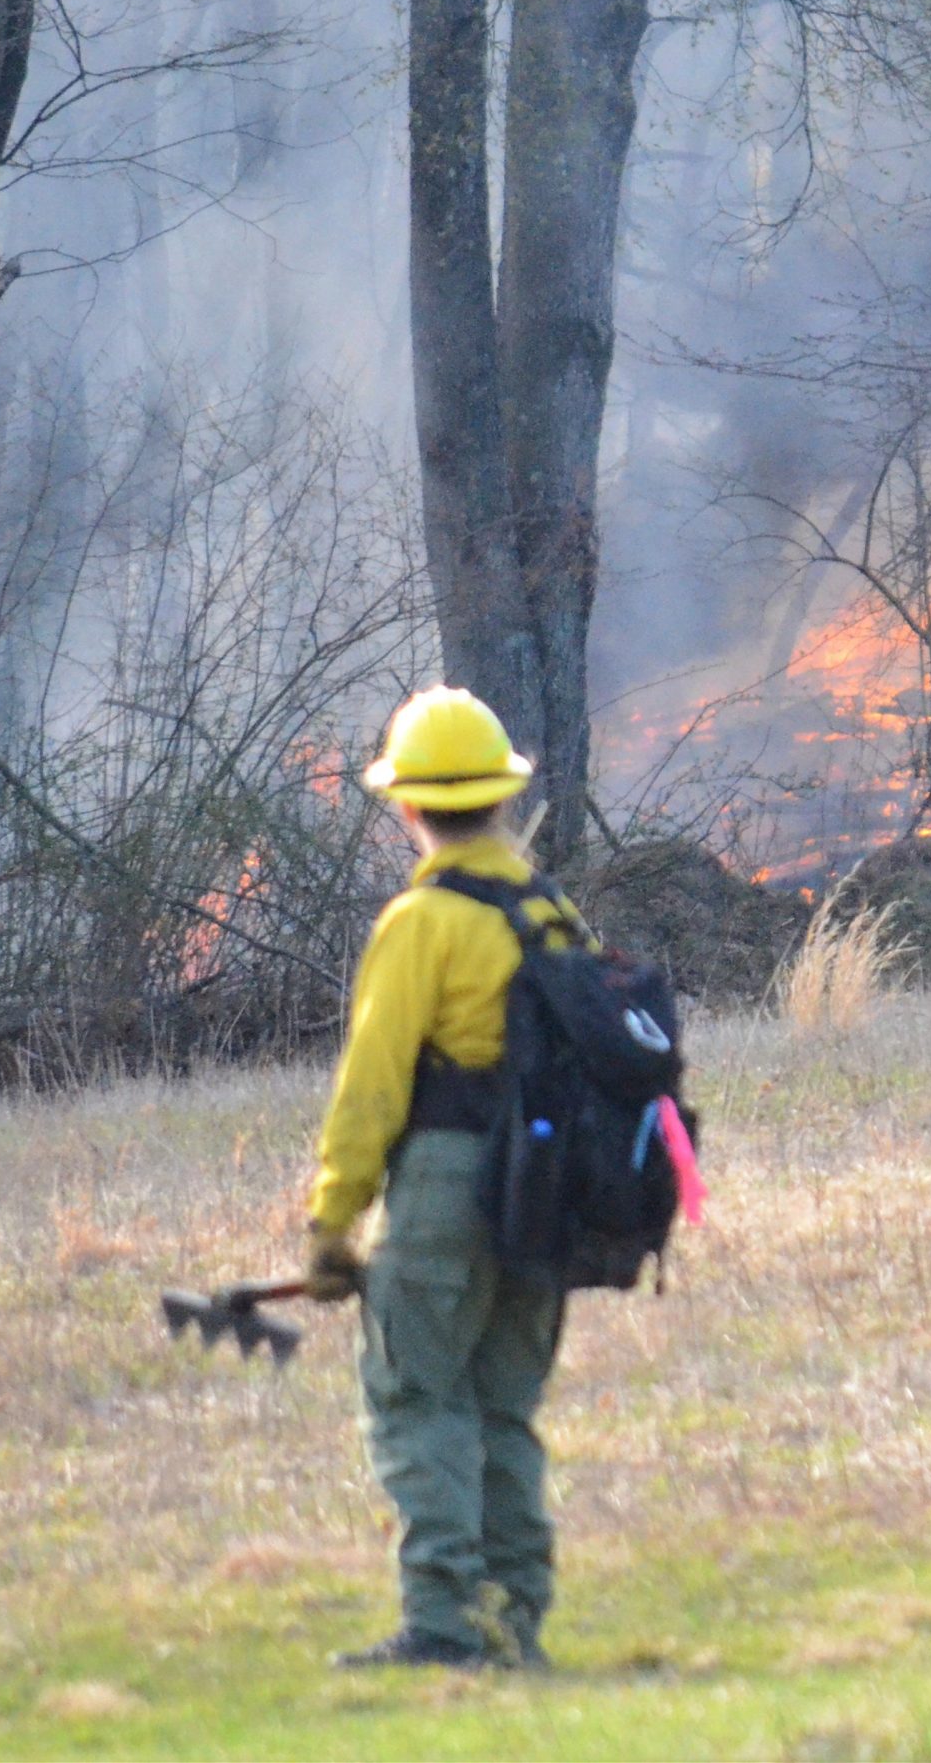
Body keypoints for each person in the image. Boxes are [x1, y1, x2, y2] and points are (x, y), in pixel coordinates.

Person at [302, 685, 576, 1671]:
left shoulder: (421, 920)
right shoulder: (551, 912)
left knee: (419, 1397)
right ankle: (513, 1621)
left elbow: (374, 1085)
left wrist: (333, 1221)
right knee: (503, 1409)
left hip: (448, 1186)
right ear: (504, 797)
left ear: (408, 804)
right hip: (546, 1195)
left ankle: (444, 1625)